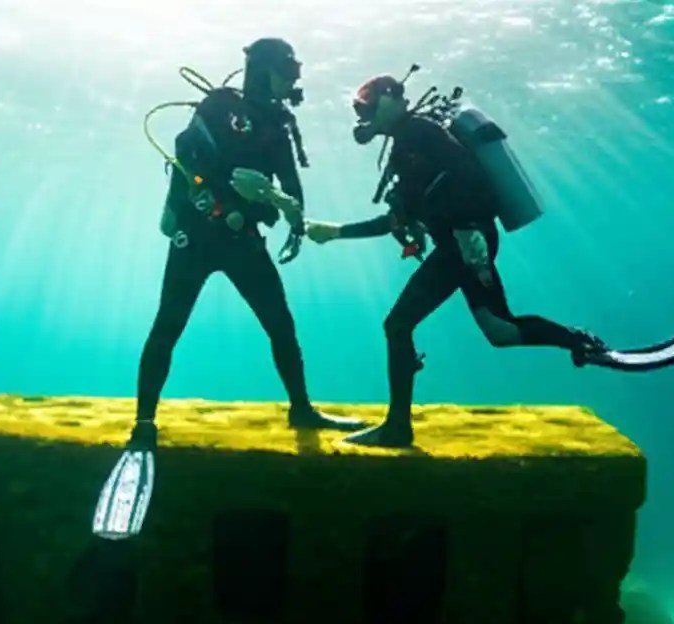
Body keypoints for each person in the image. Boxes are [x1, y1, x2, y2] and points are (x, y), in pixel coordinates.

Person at [301, 73, 614, 449]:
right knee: (500, 331)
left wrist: (467, 228)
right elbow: (402, 216)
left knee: (398, 325)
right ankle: (579, 341)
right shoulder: (411, 143)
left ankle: (397, 427)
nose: (363, 112)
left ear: (390, 100)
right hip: (466, 242)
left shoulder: (416, 133)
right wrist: (337, 232)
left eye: (368, 102)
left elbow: (462, 178)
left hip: (463, 244)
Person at [129, 37, 367, 456]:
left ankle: (301, 409)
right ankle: (144, 422)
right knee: (169, 324)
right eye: (290, 68)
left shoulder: (279, 122)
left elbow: (291, 184)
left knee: (280, 322)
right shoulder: (221, 105)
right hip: (197, 235)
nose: (295, 77)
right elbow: (187, 154)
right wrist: (203, 205)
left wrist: (292, 219)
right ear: (265, 70)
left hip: (242, 239)